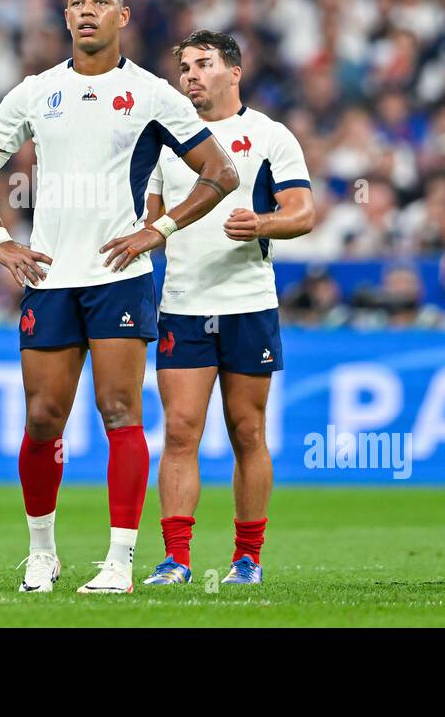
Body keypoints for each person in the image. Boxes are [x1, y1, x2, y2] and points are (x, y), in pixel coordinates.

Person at [0, 0, 239, 593]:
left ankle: (119, 564)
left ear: (123, 16)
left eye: (99, 2)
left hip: (119, 276)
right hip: (50, 277)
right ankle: (41, 554)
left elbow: (222, 173)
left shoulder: (154, 95)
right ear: (66, 17)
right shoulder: (35, 92)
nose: (87, 12)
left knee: (119, 412)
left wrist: (157, 229)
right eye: (77, 3)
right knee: (43, 417)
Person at [141, 31, 313, 586]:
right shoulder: (166, 142)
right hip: (184, 303)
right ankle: (176, 559)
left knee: (247, 431)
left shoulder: (269, 136)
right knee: (181, 429)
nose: (191, 74)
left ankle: (248, 559)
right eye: (184, 66)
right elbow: (152, 221)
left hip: (247, 303)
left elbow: (304, 212)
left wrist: (262, 223)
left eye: (203, 64)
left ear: (234, 72)